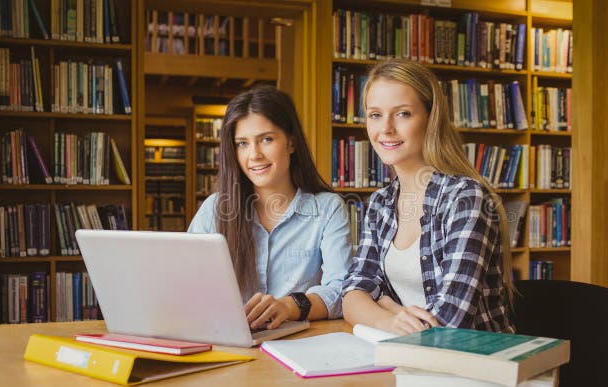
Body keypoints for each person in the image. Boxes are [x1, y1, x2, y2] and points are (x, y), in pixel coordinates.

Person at [341, 59, 515, 335]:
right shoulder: (380, 203)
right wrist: (389, 319)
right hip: (403, 346)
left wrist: (382, 302)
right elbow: (352, 293)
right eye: (375, 115)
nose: (385, 128)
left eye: (403, 114)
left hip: (472, 357)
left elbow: (449, 320)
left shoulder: (464, 198)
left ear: (430, 118)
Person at [188, 85, 351, 330]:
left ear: (291, 142)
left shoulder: (328, 209)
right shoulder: (214, 209)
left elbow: (342, 290)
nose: (254, 154)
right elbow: (187, 282)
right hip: (229, 341)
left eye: (266, 139)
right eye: (242, 143)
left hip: (299, 343)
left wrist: (290, 306)